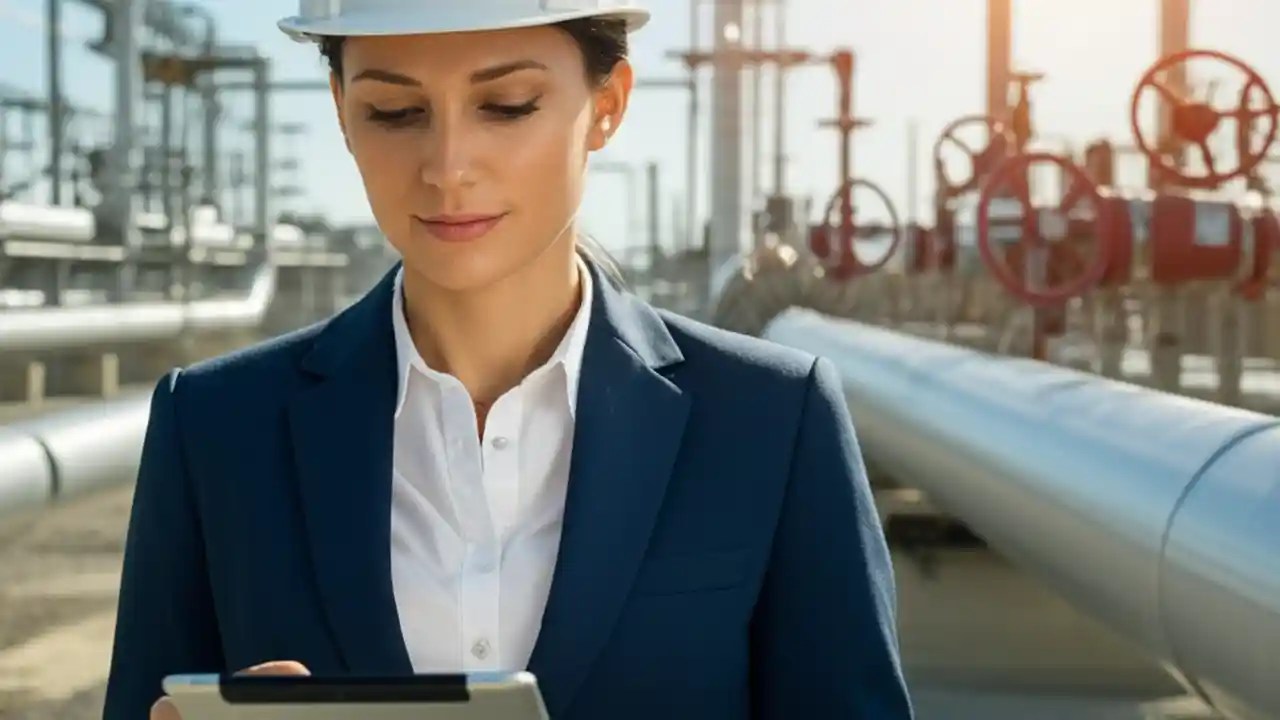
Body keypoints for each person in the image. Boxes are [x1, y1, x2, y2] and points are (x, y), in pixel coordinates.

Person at [103, 1, 914, 718]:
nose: (448, 166)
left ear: (608, 105)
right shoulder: (215, 429)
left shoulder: (771, 421)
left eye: (506, 104)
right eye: (393, 111)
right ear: (342, 115)